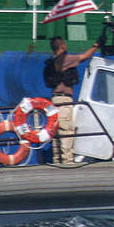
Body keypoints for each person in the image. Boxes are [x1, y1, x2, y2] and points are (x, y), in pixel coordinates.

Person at [46, 35, 99, 165]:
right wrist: (96, 45)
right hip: (64, 100)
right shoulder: (66, 59)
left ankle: (57, 161)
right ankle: (68, 162)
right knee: (66, 131)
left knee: (55, 132)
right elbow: (84, 56)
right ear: (62, 46)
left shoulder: (52, 62)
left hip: (54, 100)